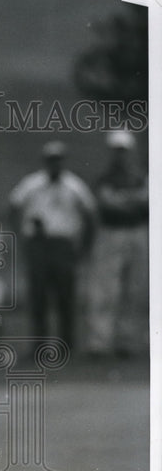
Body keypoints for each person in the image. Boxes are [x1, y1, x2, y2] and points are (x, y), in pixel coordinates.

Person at [8, 141, 98, 352]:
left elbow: (90, 214)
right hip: (38, 243)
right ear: (45, 162)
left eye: (58, 160)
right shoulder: (32, 184)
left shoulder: (74, 185)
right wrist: (22, 233)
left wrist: (84, 246)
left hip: (63, 244)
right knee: (38, 295)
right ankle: (39, 345)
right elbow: (13, 206)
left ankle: (67, 344)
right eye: (51, 160)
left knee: (65, 295)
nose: (54, 164)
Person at [85, 130, 149, 358]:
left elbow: (146, 203)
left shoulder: (140, 177)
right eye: (116, 151)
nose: (120, 155)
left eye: (123, 151)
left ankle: (127, 341)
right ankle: (99, 343)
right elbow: (106, 204)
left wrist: (122, 201)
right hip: (111, 233)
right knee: (105, 289)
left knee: (135, 288)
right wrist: (131, 201)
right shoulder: (104, 178)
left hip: (136, 232)